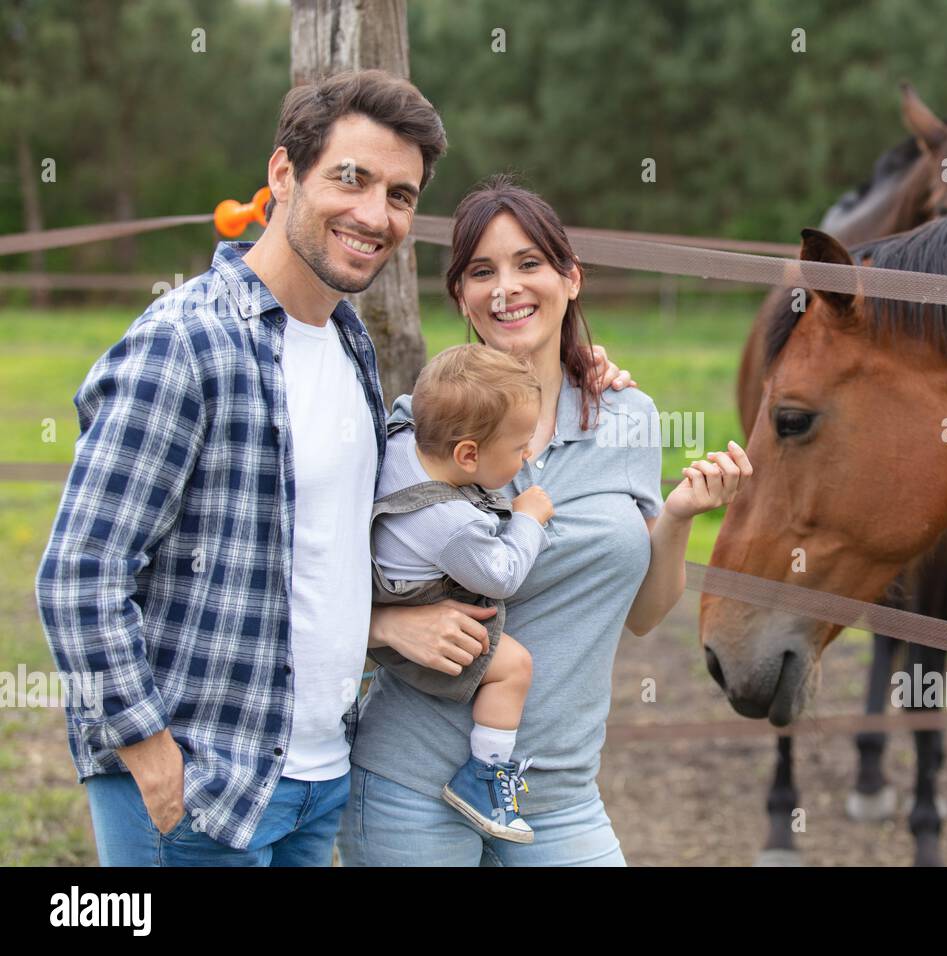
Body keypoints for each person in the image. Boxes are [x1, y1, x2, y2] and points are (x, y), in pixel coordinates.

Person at [33, 69, 633, 866]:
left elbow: (330, 551)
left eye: (400, 195)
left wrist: (574, 365)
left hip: (318, 784)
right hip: (202, 785)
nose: (375, 214)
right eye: (351, 178)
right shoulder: (185, 343)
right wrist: (144, 744)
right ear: (283, 174)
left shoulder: (350, 345)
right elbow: (80, 573)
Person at [338, 175, 753, 867]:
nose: (506, 288)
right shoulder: (419, 431)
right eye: (482, 271)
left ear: (571, 278)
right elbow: (328, 572)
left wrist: (679, 516)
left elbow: (644, 615)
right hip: (409, 782)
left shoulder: (629, 419)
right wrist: (384, 626)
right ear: (461, 297)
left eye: (528, 263)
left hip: (559, 794)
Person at [368, 344, 557, 841]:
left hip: (387, 590)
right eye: (518, 449)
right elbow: (502, 575)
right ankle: (484, 777)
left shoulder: (401, 437)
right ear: (468, 455)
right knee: (514, 667)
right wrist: (528, 519)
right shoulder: (454, 525)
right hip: (422, 619)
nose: (526, 455)